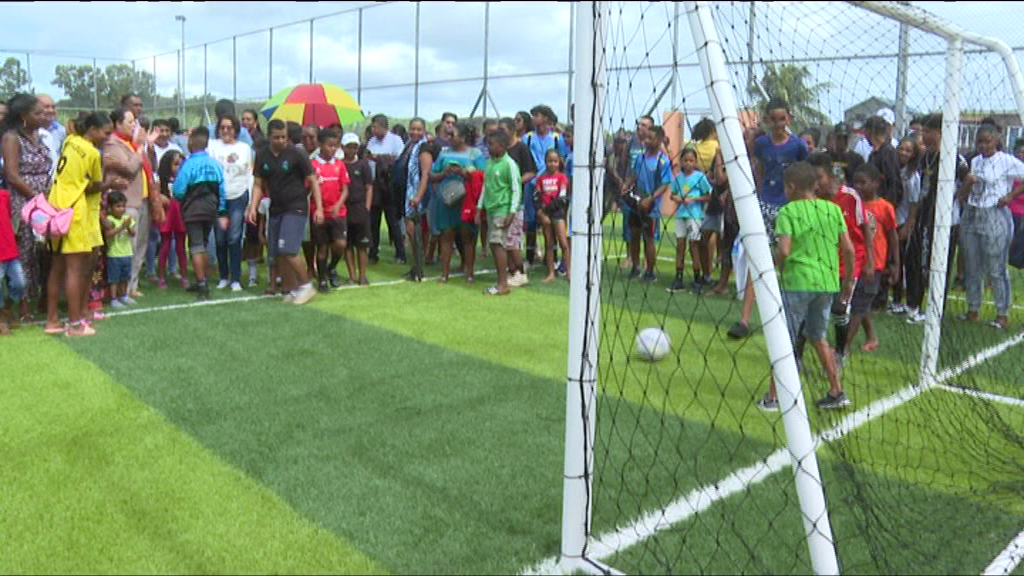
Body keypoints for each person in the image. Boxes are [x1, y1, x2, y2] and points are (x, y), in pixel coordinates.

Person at [759, 161, 855, 411]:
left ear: (791, 187)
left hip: (798, 281)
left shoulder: (789, 212)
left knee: (785, 339)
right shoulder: (832, 210)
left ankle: (773, 397)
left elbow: (784, 250)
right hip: (827, 283)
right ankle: (837, 390)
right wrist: (848, 281)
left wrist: (774, 267)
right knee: (818, 337)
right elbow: (848, 249)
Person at [727, 97, 809, 339]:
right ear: (767, 120)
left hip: (789, 209)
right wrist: (760, 194)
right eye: (774, 119)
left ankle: (793, 319)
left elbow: (803, 175)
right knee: (757, 259)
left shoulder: (798, 146)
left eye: (782, 119)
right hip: (765, 205)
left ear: (789, 119)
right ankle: (745, 319)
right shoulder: (762, 144)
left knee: (788, 259)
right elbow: (760, 169)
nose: (778, 124)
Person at [247, 119, 323, 304]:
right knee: (277, 252)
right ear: (269, 137)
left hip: (295, 207)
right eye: (276, 137)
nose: (281, 141)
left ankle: (306, 286)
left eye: (284, 137)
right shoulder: (262, 155)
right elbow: (258, 184)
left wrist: (319, 208)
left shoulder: (297, 154)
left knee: (288, 248)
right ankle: (292, 289)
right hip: (276, 208)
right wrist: (253, 206)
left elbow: (313, 180)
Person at [957, 123, 1024, 330]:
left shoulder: (1007, 161)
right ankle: (973, 308)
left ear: (996, 141)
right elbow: (967, 191)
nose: (983, 146)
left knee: (996, 267)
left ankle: (1002, 313)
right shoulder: (975, 161)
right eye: (980, 142)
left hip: (995, 213)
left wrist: (1010, 196)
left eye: (987, 141)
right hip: (973, 213)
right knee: (972, 264)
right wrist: (968, 184)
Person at [2, 94, 53, 322]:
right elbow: (12, 175)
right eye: (38, 113)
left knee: (44, 250)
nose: (44, 116)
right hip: (24, 203)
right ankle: (21, 305)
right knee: (25, 252)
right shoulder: (12, 138)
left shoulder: (38, 136)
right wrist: (36, 198)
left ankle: (41, 299)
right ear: (24, 116)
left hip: (44, 201)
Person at [103, 108, 161, 299]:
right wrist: (139, 147)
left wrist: (146, 146)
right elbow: (129, 168)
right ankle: (122, 289)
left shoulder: (133, 143)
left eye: (134, 122)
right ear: (117, 124)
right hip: (126, 202)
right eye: (130, 122)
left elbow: (150, 166)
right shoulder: (113, 144)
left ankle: (132, 285)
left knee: (141, 244)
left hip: (143, 199)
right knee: (128, 246)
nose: (134, 125)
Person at [846, 163, 899, 355]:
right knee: (859, 301)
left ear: (876, 183)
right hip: (854, 262)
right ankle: (872, 337)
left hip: (873, 264)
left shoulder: (884, 207)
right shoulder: (852, 205)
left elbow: (893, 237)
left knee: (859, 305)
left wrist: (895, 264)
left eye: (863, 182)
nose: (858, 187)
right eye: (856, 183)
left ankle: (844, 346)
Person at [173, 127, 228, 301]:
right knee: (203, 243)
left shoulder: (188, 164)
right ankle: (203, 279)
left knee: (196, 245)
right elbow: (222, 189)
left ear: (191, 143)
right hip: (211, 208)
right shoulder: (215, 164)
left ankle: (202, 283)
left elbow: (179, 190)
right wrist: (221, 209)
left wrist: (181, 198)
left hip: (193, 208)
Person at [430, 122, 482, 283]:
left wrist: (464, 173)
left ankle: (469, 272)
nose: (449, 137)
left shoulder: (475, 154)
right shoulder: (444, 153)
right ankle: (444, 273)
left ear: (463, 137)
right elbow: (432, 175)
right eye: (448, 134)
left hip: (466, 200)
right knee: (446, 235)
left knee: (468, 237)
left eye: (453, 135)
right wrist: (445, 173)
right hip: (446, 200)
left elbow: (483, 176)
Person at [208, 113, 254, 292]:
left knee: (235, 237)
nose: (225, 131)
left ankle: (235, 278)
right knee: (220, 238)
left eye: (229, 127)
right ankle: (223, 276)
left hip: (238, 196)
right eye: (222, 128)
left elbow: (249, 174)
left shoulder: (244, 148)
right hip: (219, 198)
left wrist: (250, 199)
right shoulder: (212, 146)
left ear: (236, 129)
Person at [477, 128, 523, 296]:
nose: (488, 147)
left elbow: (516, 189)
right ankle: (501, 282)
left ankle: (503, 284)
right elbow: (486, 186)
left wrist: (512, 212)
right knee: (494, 244)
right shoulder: (490, 163)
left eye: (492, 144)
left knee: (498, 245)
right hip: (491, 209)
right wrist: (479, 208)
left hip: (502, 210)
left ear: (502, 146)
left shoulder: (509, 164)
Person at [522, 105, 570, 267]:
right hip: (532, 184)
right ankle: (529, 257)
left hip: (551, 185)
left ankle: (552, 257)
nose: (533, 119)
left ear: (545, 118)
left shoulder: (557, 138)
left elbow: (561, 160)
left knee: (552, 218)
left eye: (536, 115)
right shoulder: (528, 138)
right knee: (530, 220)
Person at [496, 117, 535, 286]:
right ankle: (511, 270)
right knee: (503, 239)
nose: (500, 133)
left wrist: (515, 181)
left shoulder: (521, 148)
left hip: (515, 201)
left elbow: (531, 171)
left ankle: (520, 272)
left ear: (512, 130)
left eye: (503, 130)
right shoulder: (500, 149)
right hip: (500, 201)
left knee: (513, 239)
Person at [311, 128, 350, 292]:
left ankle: (331, 267)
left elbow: (345, 189)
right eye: (329, 145)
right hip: (320, 212)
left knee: (340, 244)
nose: (333, 149)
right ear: (320, 145)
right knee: (322, 248)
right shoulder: (313, 165)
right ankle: (322, 280)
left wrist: (339, 204)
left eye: (335, 146)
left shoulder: (340, 164)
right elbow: (310, 188)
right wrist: (319, 208)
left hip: (338, 213)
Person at [668, 147, 712, 292]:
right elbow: (672, 195)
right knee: (680, 245)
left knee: (694, 245)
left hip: (695, 215)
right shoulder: (678, 178)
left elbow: (708, 195)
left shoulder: (700, 177)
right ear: (681, 161)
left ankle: (697, 277)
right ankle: (678, 277)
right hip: (681, 215)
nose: (688, 163)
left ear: (695, 162)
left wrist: (695, 198)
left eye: (691, 160)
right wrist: (679, 199)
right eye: (685, 160)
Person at [365, 114, 407, 265]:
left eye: (375, 126)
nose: (373, 129)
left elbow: (399, 160)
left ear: (383, 126)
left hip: (389, 185)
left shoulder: (395, 140)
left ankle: (400, 253)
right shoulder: (371, 141)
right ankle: (373, 252)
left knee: (393, 221)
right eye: (373, 127)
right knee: (373, 221)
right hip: (375, 185)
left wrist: (380, 158)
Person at [889, 136, 922, 315]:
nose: (903, 153)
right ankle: (894, 298)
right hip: (890, 221)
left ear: (914, 154)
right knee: (893, 261)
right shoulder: (893, 170)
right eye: (901, 149)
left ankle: (908, 301)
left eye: (908, 150)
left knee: (904, 261)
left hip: (903, 221)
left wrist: (909, 224)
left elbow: (914, 203)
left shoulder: (913, 176)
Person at [403, 118, 435, 282]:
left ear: (424, 130)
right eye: (412, 129)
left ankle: (419, 267)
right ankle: (416, 266)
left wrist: (418, 196)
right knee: (410, 232)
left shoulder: (424, 148)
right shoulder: (410, 145)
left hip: (418, 195)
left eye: (418, 129)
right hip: (409, 192)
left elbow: (426, 174)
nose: (415, 132)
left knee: (414, 232)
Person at [340, 132, 373, 286]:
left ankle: (363, 275)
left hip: (360, 208)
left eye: (354, 147)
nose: (352, 150)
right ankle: (352, 275)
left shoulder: (363, 165)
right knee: (347, 244)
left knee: (362, 244)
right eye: (349, 147)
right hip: (345, 208)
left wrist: (367, 207)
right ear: (343, 147)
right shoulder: (340, 165)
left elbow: (369, 187)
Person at [535, 148, 571, 283]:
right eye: (550, 161)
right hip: (545, 214)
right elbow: (537, 196)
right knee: (549, 244)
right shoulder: (541, 178)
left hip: (557, 213)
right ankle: (551, 272)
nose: (552, 164)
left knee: (563, 243)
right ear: (545, 162)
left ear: (559, 162)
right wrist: (541, 212)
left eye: (555, 161)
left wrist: (546, 209)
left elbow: (562, 198)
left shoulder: (562, 177)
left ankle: (569, 271)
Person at [156, 150, 188, 289]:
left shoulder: (184, 179)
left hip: (180, 214)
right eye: (175, 164)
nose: (178, 167)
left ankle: (184, 276)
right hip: (167, 214)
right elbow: (156, 196)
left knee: (181, 246)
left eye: (181, 164)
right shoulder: (161, 181)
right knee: (165, 245)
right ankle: (162, 276)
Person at [103, 192, 137, 308]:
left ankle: (124, 295)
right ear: (110, 207)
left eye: (123, 206)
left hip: (127, 253)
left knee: (125, 277)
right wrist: (122, 227)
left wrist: (128, 227)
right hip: (114, 254)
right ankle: (113, 298)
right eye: (118, 206)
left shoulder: (127, 218)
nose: (122, 209)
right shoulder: (109, 220)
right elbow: (108, 235)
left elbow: (133, 233)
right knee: (114, 279)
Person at [864, 115, 904, 207]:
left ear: (870, 131)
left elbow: (894, 184)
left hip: (884, 205)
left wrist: (888, 207)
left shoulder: (888, 152)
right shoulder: (873, 154)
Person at [0, 186, 22, 335]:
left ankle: (7, 308)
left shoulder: (4, 195)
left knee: (20, 283)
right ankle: (1, 319)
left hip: (9, 249)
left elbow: (8, 218)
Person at [37, 94, 67, 174]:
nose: (51, 110)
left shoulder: (61, 131)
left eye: (53, 107)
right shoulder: (30, 131)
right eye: (46, 107)